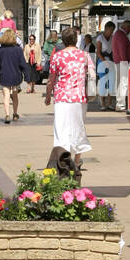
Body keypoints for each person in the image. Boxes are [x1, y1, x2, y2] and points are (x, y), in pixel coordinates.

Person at [44, 27, 94, 172]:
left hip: (61, 97)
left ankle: (63, 162)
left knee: (61, 130)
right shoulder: (84, 56)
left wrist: (48, 95)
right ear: (76, 39)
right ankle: (77, 161)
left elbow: (51, 80)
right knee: (79, 128)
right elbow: (92, 74)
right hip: (79, 97)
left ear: (63, 41)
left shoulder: (57, 57)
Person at [0, 28, 29, 123]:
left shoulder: (1, 50)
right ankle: (15, 113)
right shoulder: (18, 50)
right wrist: (27, 76)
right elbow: (23, 64)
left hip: (4, 75)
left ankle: (7, 114)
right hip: (16, 76)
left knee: (6, 96)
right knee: (15, 96)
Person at [110, 18, 130, 111]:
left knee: (120, 83)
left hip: (120, 62)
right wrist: (125, 62)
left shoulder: (119, 34)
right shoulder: (120, 35)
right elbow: (122, 50)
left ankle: (119, 104)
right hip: (122, 62)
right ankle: (121, 105)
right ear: (126, 27)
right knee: (123, 83)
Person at [95, 21, 116, 109]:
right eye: (110, 30)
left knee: (111, 82)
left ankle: (110, 103)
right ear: (106, 29)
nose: (111, 32)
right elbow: (98, 52)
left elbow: (114, 51)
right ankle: (103, 103)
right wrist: (104, 61)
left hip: (111, 60)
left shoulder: (112, 38)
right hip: (102, 60)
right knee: (103, 82)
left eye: (112, 30)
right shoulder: (100, 38)